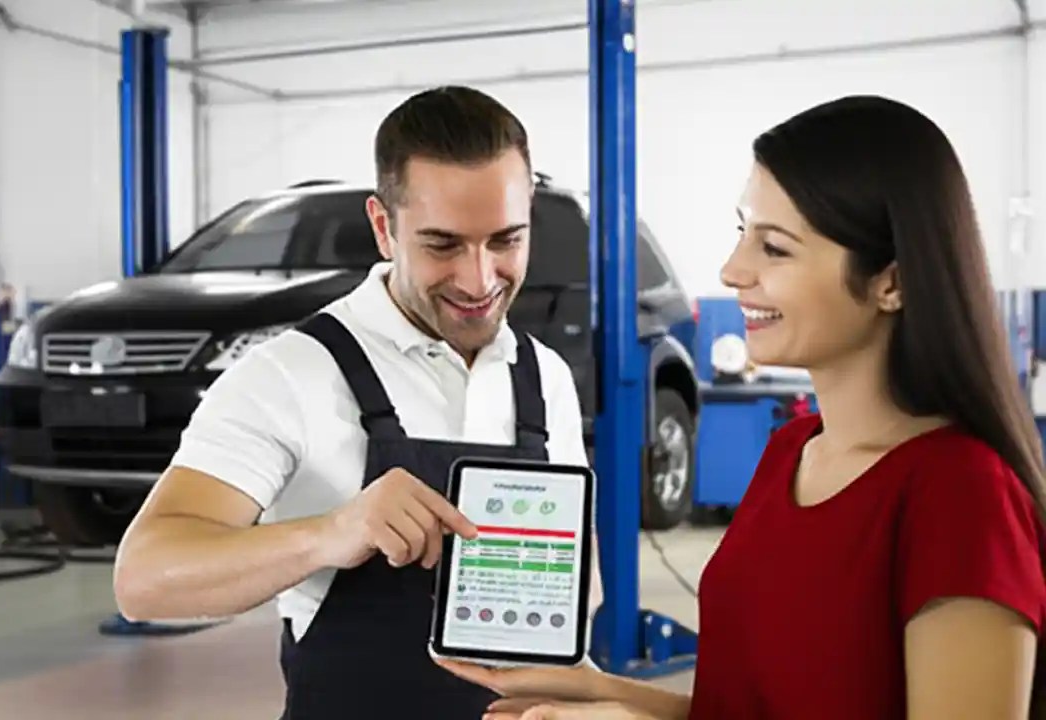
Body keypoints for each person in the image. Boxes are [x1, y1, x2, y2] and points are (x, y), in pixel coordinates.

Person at [439, 94, 1046, 720]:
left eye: (775, 248)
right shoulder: (794, 450)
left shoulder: (962, 495)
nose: (732, 270)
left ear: (891, 281)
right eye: (741, 232)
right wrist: (597, 690)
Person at [111, 85, 603, 720]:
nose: (480, 280)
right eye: (443, 245)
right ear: (383, 227)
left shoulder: (545, 379)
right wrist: (327, 535)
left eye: (506, 240)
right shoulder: (291, 374)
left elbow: (579, 586)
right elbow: (144, 579)